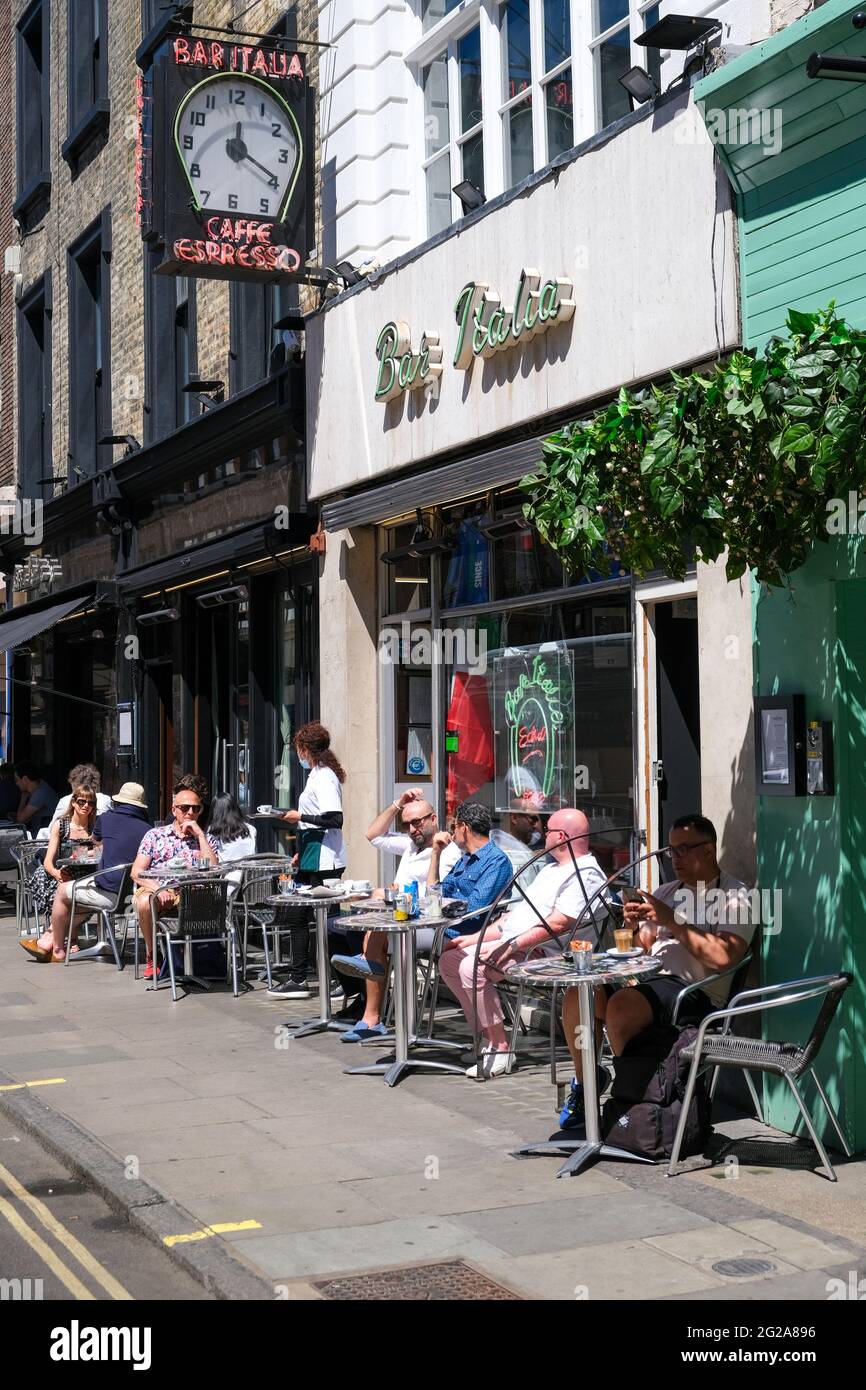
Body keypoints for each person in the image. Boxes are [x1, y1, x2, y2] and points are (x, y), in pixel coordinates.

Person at [559, 813, 754, 1130]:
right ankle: (585, 1085)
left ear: (708, 849)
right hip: (650, 985)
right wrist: (633, 926)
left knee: (622, 1005)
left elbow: (724, 957)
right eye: (671, 850)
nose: (675, 858)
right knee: (579, 994)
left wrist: (670, 919)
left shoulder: (737, 896)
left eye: (684, 849)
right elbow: (641, 948)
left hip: (696, 994)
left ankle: (630, 1101)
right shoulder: (665, 892)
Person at [438, 809, 608, 1078]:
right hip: (519, 944)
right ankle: (486, 1038)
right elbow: (514, 917)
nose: (542, 832)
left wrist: (511, 945)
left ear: (561, 837)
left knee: (472, 967)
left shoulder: (585, 873)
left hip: (548, 954)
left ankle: (502, 1048)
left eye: (548, 829)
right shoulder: (551, 868)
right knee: (450, 960)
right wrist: (475, 938)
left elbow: (558, 924)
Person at [330, 788, 462, 1042]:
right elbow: (373, 835)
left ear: (433, 819)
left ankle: (372, 1017)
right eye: (407, 824)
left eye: (417, 822)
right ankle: (368, 991)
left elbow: (437, 898)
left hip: (429, 925)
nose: (412, 829)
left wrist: (392, 895)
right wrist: (396, 804)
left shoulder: (446, 851)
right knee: (340, 926)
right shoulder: (411, 846)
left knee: (377, 926)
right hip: (402, 918)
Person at [266, 721, 346, 1000]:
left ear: (304, 748)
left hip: (325, 858)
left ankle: (341, 979)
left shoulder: (324, 776)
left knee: (328, 920)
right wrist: (301, 845)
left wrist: (298, 817)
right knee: (298, 914)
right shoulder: (317, 774)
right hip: (313, 853)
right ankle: (300, 977)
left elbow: (335, 818)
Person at [46, 782, 153, 963]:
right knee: (74, 896)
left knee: (62, 890)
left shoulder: (106, 819)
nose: (87, 806)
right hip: (134, 898)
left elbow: (96, 842)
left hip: (108, 893)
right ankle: (55, 936)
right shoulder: (149, 830)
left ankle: (56, 948)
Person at [130, 778, 219, 980]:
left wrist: (200, 836)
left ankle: (193, 959)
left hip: (194, 895)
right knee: (144, 902)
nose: (190, 813)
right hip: (158, 888)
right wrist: (158, 890)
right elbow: (136, 872)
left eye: (196, 809)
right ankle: (153, 955)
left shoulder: (206, 838)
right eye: (185, 808)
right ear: (174, 809)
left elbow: (213, 871)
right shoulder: (155, 835)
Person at [19, 785, 99, 960]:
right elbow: (48, 860)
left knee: (77, 890)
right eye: (81, 801)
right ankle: (69, 939)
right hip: (59, 872)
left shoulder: (95, 827)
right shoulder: (61, 825)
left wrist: (86, 853)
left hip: (85, 875)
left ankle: (49, 937)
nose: (86, 806)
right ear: (73, 802)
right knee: (62, 887)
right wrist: (56, 873)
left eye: (90, 802)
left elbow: (103, 850)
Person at [426, 801, 512, 922]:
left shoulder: (497, 861)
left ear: (463, 827)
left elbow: (474, 906)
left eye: (453, 827)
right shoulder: (465, 859)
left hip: (465, 934)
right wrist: (436, 853)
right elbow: (434, 895)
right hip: (444, 927)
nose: (452, 833)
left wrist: (442, 908)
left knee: (406, 935)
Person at [14, 762, 58, 834]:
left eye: (17, 780)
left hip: (44, 837)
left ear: (25, 779)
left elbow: (20, 819)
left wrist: (23, 799)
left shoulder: (40, 793)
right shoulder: (40, 787)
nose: (16, 783)